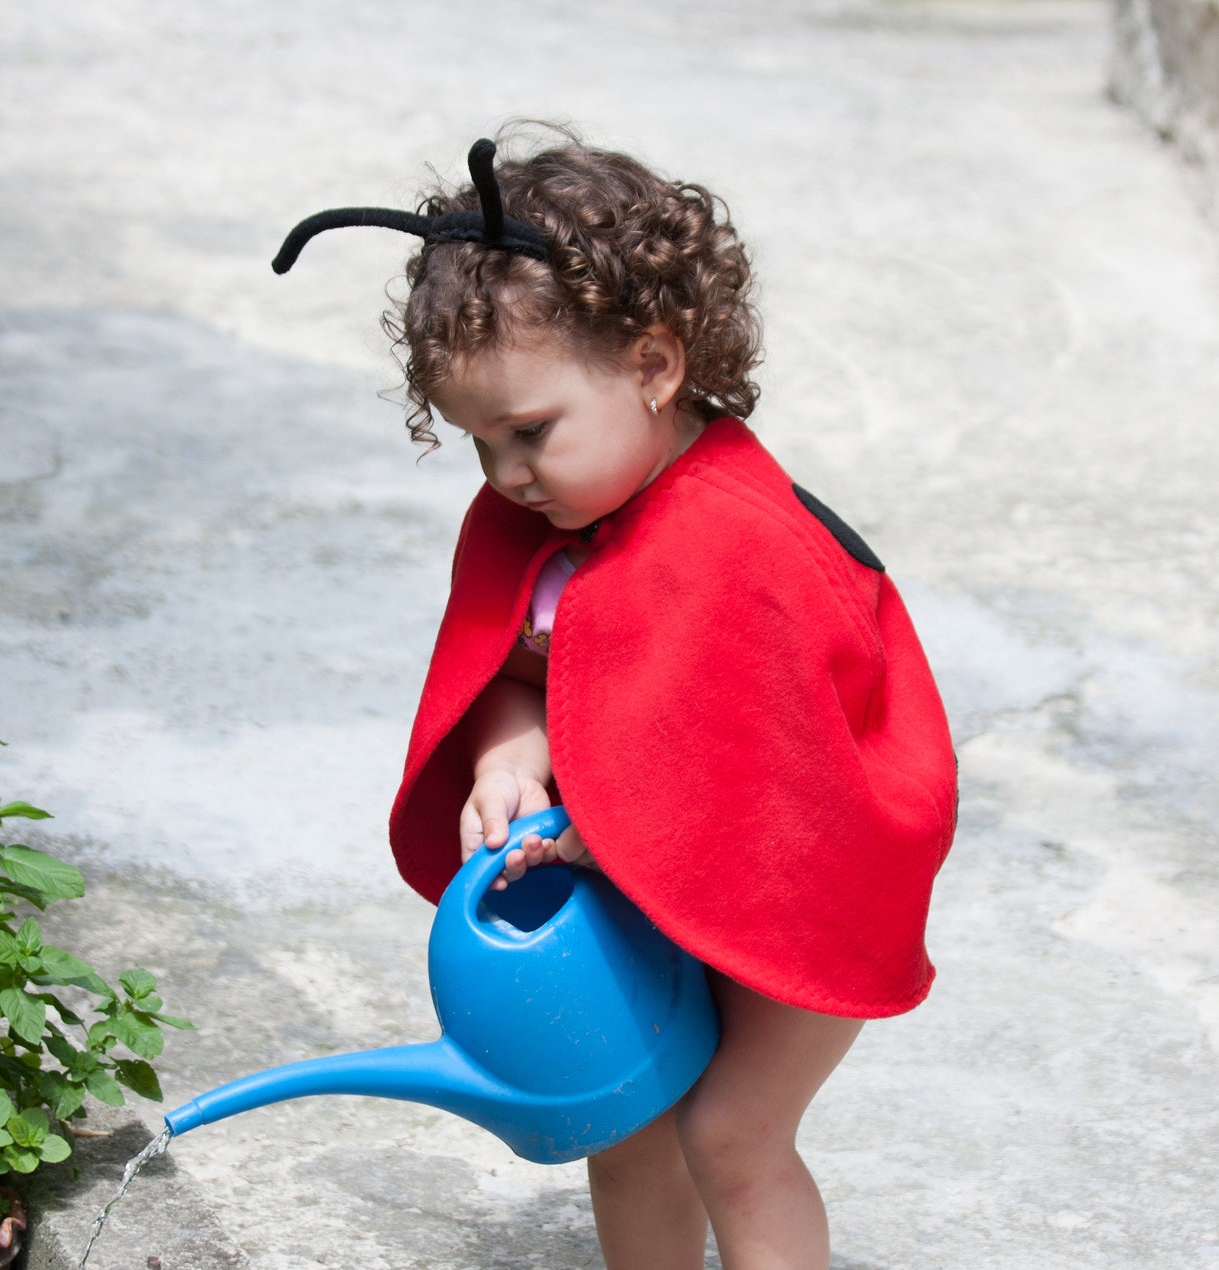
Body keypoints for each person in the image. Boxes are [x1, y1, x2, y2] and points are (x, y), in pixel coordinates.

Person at [276, 128, 958, 1270]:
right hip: (637, 875)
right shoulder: (547, 525)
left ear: (652, 364)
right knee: (628, 1115)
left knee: (731, 1131)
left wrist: (618, 823)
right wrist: (507, 760)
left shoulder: (739, 545)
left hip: (800, 877)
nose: (505, 475)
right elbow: (517, 672)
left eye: (530, 432)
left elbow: (767, 758)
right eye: (476, 444)